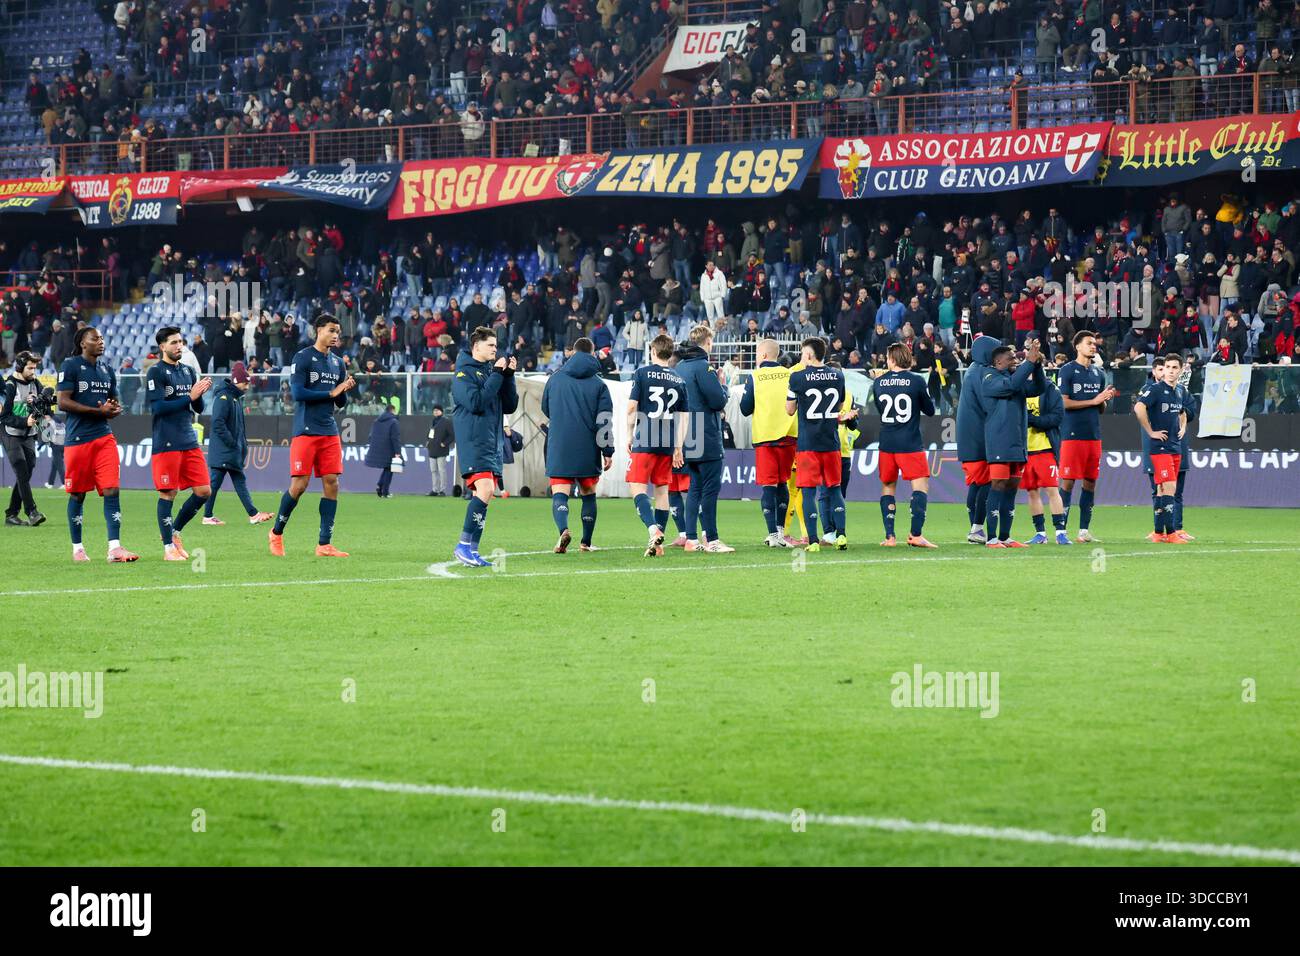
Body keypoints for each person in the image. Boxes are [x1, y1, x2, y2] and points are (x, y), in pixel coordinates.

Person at [269, 314, 356, 558]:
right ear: (318, 331)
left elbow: (340, 400)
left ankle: (324, 544)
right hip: (306, 430)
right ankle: (276, 533)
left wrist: (344, 390)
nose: (336, 334)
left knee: (332, 483)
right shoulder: (303, 357)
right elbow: (298, 393)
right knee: (300, 485)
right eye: (331, 330)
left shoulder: (338, 363)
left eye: (337, 331)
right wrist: (332, 392)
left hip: (329, 430)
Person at [56, 326, 137, 562]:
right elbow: (63, 402)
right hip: (78, 440)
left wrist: (114, 409)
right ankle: (78, 549)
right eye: (95, 338)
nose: (101, 342)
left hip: (104, 438)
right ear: (83, 343)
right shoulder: (70, 366)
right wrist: (97, 410)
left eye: (102, 338)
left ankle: (114, 548)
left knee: (112, 490)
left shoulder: (107, 370)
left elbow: (113, 400)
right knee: (78, 495)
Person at [451, 326, 518, 567]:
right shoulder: (463, 374)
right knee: (486, 488)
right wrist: (497, 375)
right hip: (474, 439)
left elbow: (509, 405)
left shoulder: (492, 372)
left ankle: (472, 549)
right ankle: (463, 545)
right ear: (476, 347)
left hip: (491, 441)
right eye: (490, 345)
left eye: (495, 345)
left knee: (487, 493)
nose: (494, 349)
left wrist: (507, 375)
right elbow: (476, 402)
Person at [541, 337, 614, 554]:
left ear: (572, 353)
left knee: (560, 492)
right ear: (593, 354)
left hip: (560, 443)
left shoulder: (555, 379)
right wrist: (608, 450)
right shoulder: (599, 384)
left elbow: (546, 409)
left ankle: (563, 530)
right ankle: (586, 542)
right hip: (588, 445)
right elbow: (605, 420)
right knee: (588, 492)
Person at [147, 326, 213, 561]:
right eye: (173, 342)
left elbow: (198, 408)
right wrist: (189, 397)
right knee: (168, 494)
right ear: (162, 346)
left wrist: (199, 394)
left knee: (204, 491)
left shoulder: (187, 371)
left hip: (188, 440)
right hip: (167, 442)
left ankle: (175, 533)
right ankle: (167, 549)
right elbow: (158, 407)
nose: (179, 346)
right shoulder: (156, 372)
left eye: (181, 341)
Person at [980, 340, 1046, 548]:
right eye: (1011, 358)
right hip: (999, 442)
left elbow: (1037, 387)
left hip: (1017, 443)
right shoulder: (989, 378)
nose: (1015, 360)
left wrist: (1037, 366)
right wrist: (1028, 362)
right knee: (998, 485)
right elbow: (1010, 386)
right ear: (998, 361)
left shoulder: (1013, 377)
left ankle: (1005, 537)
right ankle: (991, 538)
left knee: (1011, 488)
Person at [785, 336, 849, 552]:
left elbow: (790, 409)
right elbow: (839, 405)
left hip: (807, 443)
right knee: (835, 489)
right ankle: (841, 536)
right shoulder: (837, 376)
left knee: (809, 491)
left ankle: (813, 540)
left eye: (803, 353)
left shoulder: (797, 377)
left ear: (809, 355)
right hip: (831, 441)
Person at [627, 333, 687, 558]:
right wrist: (678, 447)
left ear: (653, 351)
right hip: (668, 442)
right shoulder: (679, 380)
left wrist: (629, 435)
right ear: (670, 353)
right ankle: (658, 545)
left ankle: (653, 529)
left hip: (645, 438)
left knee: (636, 486)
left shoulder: (641, 373)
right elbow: (685, 417)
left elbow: (632, 408)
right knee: (662, 492)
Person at [872, 343, 937, 548]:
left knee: (888, 485)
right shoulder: (916, 381)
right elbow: (930, 410)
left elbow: (880, 408)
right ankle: (915, 535)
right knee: (920, 485)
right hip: (909, 442)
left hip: (887, 442)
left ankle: (890, 537)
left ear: (891, 360)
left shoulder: (879, 382)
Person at [677, 324, 735, 552]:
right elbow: (718, 401)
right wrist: (724, 386)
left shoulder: (680, 367)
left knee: (695, 488)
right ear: (708, 343)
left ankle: (691, 538)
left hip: (685, 433)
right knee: (710, 488)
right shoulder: (704, 367)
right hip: (705, 433)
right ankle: (712, 539)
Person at [1057, 331, 1117, 543]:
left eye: (1095, 344)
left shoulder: (1098, 374)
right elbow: (1063, 403)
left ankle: (1083, 531)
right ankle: (1060, 531)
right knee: (1068, 482)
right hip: (1072, 435)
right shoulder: (1067, 371)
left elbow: (1099, 408)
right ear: (1078, 346)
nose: (1094, 346)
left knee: (1090, 482)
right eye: (1089, 343)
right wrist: (1093, 401)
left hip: (1093, 435)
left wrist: (1103, 400)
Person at [739, 338, 798, 547]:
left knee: (769, 485)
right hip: (789, 435)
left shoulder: (755, 376)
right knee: (783, 483)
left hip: (765, 436)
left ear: (763, 355)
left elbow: (745, 408)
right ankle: (781, 532)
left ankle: (772, 534)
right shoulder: (790, 374)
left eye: (757, 353)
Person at [202, 361, 272, 526]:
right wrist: (232, 443)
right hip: (224, 450)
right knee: (223, 484)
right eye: (245, 382)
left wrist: (240, 446)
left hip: (228, 451)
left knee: (219, 484)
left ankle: (208, 516)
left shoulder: (234, 398)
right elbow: (218, 423)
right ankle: (252, 514)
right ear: (235, 381)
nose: (247, 385)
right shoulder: (224, 398)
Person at [1134, 353, 1189, 543]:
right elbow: (1139, 407)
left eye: (1175, 368)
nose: (1171, 371)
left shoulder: (1179, 392)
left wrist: (1183, 427)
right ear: (1162, 369)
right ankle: (1171, 533)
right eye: (1168, 367)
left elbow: (1182, 412)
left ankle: (1158, 533)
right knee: (1170, 487)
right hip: (1161, 448)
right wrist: (1150, 431)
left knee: (1160, 490)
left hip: (1175, 447)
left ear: (1180, 371)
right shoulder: (1156, 389)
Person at [956, 326, 1000, 543]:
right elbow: (989, 404)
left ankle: (974, 527)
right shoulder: (982, 373)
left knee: (977, 483)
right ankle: (976, 528)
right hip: (979, 439)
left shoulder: (973, 371)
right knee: (986, 483)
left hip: (968, 439)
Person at [1022, 370, 1071, 545]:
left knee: (1052, 490)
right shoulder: (1019, 389)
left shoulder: (1051, 390)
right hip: (1024, 451)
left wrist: (1032, 420)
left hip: (1045, 448)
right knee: (1032, 491)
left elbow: (1056, 418)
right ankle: (1040, 533)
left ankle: (1060, 532)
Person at [1, 351, 47, 527]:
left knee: (26, 472)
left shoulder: (35, 383)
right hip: (10, 432)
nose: (33, 371)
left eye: (35, 368)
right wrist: (24, 421)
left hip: (28, 434)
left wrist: (42, 405)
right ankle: (32, 512)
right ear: (20, 367)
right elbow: (3, 417)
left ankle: (11, 514)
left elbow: (45, 404)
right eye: (30, 368)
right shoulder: (9, 386)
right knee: (21, 468)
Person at [364, 398, 403, 498]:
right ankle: (385, 491)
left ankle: (380, 486)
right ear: (393, 410)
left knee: (387, 469)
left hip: (378, 449)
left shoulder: (377, 421)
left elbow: (370, 436)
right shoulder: (394, 422)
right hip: (389, 449)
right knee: (390, 469)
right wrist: (397, 452)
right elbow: (395, 438)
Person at [426, 404, 453, 496]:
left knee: (441, 470)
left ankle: (442, 490)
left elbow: (452, 435)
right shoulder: (433, 421)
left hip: (441, 450)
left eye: (437, 410)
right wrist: (428, 442)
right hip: (432, 449)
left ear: (442, 411)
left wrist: (444, 443)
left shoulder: (446, 422)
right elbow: (430, 434)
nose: (435, 412)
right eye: (434, 410)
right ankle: (435, 489)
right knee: (433, 470)